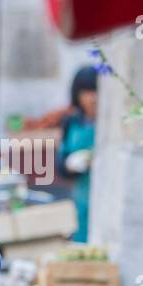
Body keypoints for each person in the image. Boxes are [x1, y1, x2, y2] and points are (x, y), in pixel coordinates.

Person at [59, 65, 99, 242]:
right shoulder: (71, 122)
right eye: (87, 92)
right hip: (80, 197)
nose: (93, 98)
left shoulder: (110, 123)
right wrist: (70, 164)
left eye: (96, 92)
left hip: (104, 195)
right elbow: (60, 164)